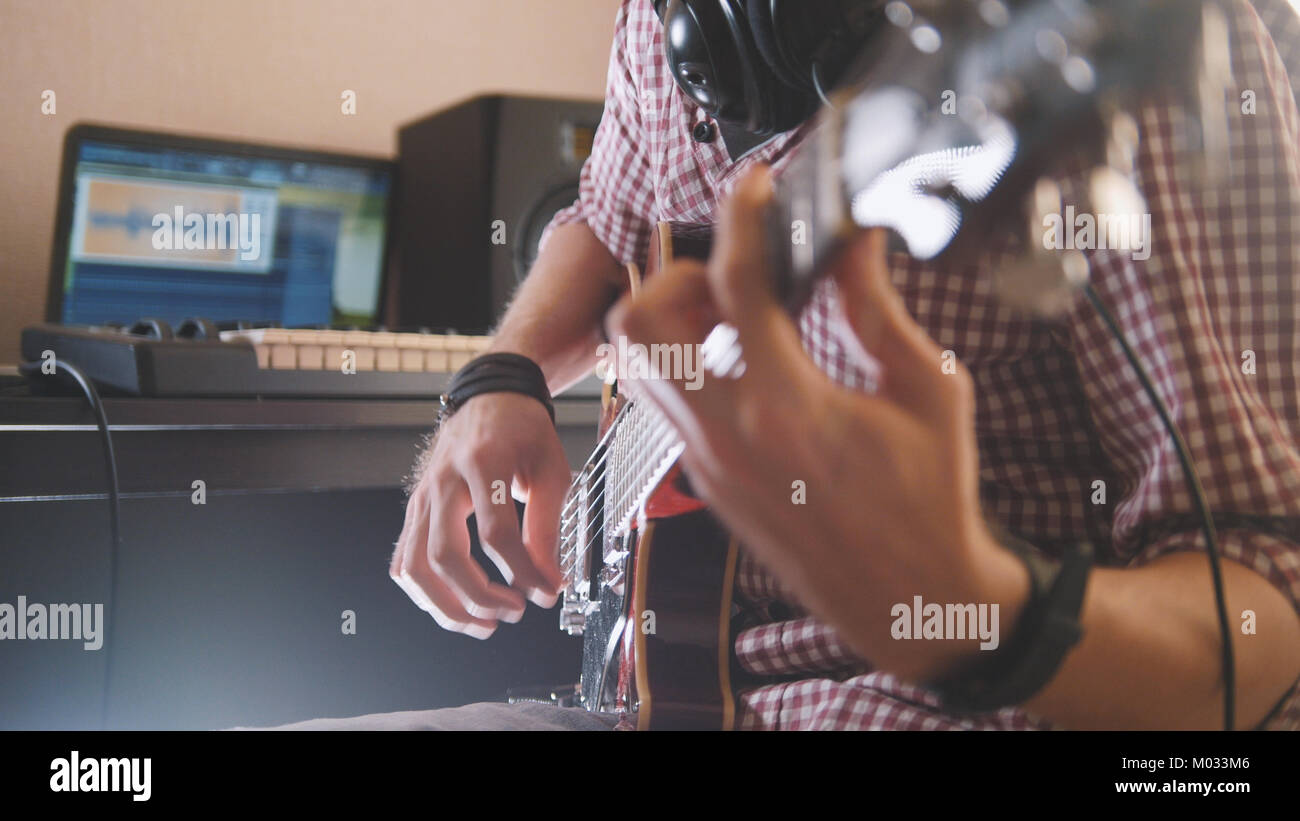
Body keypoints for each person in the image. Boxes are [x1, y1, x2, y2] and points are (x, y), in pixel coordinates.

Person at [285, 0, 1300, 730]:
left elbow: (1263, 615)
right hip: (640, 697)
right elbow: (606, 217)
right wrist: (497, 377)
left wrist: (980, 606)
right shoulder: (660, 19)